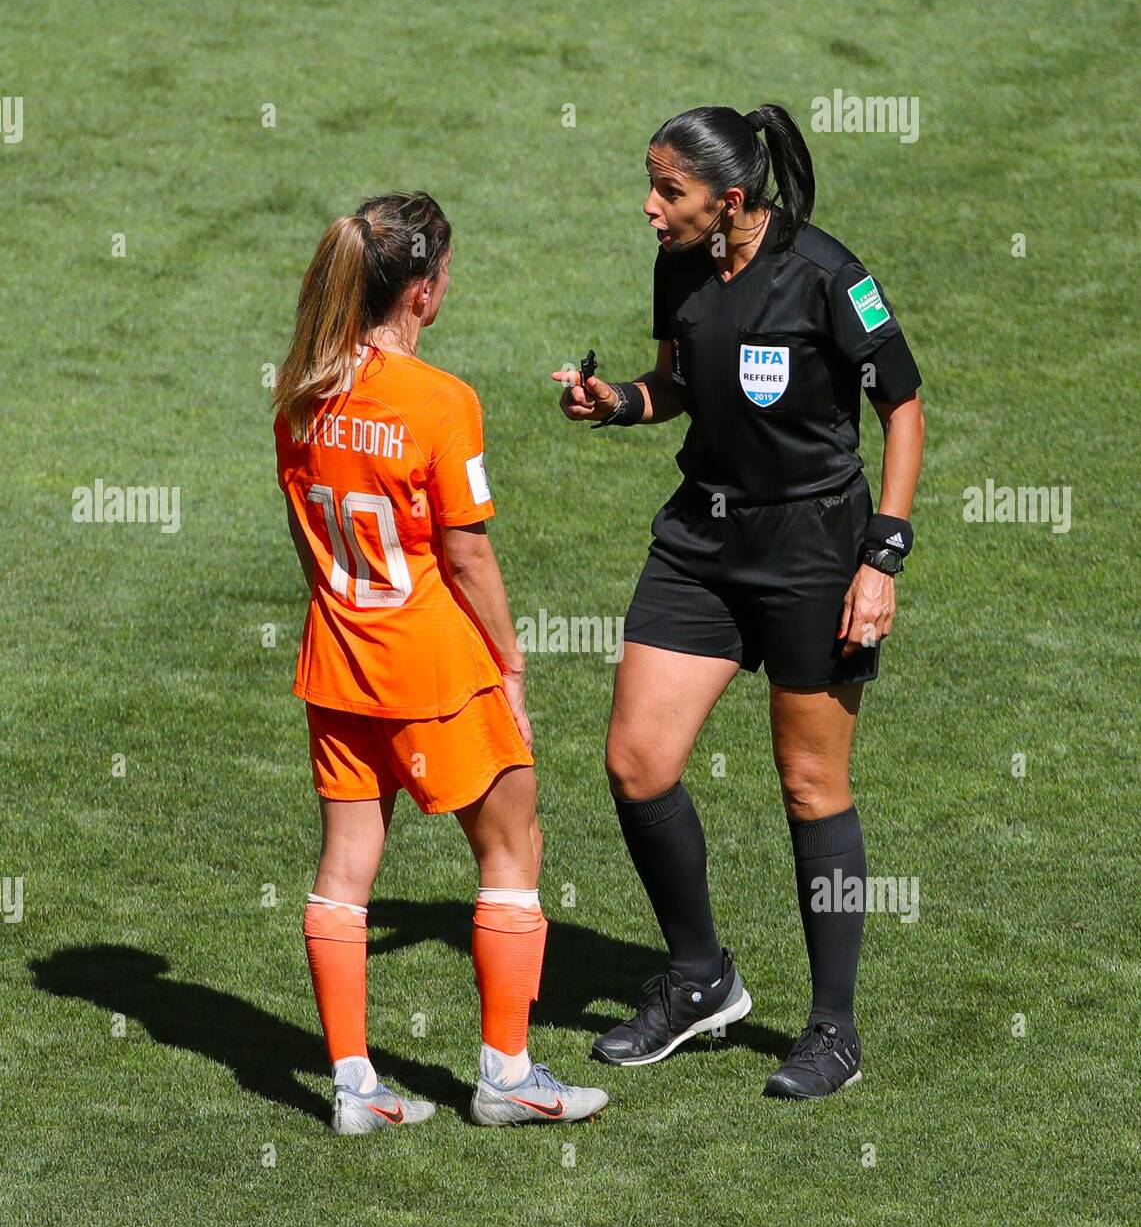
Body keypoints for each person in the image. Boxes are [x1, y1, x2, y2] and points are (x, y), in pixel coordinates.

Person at [551, 106, 925, 1098]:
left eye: (666, 190)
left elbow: (904, 405)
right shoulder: (682, 263)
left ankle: (833, 1030)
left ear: (730, 198)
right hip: (700, 543)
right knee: (636, 762)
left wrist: (881, 555)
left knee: (810, 784)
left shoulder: (829, 276)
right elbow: (678, 382)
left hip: (812, 548)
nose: (648, 206)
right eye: (650, 182)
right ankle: (699, 977)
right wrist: (620, 402)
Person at [274, 191, 607, 1131]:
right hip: (430, 666)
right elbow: (466, 554)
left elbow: (310, 548)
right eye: (445, 274)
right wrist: (510, 663)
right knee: (513, 846)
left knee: (345, 869)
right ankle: (505, 1074)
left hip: (335, 660)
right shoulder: (441, 401)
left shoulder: (299, 394)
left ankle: (352, 1088)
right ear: (420, 292)